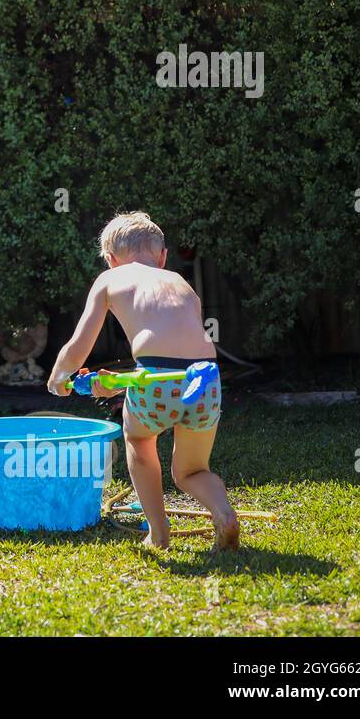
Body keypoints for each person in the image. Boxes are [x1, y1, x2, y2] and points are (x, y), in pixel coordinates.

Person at [47, 211, 238, 550]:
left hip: (155, 376)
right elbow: (178, 347)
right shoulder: (181, 283)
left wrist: (60, 376)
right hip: (204, 377)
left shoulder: (109, 280)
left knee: (138, 439)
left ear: (110, 259)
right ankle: (224, 514)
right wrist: (123, 381)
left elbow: (80, 345)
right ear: (162, 257)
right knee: (191, 472)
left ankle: (159, 533)